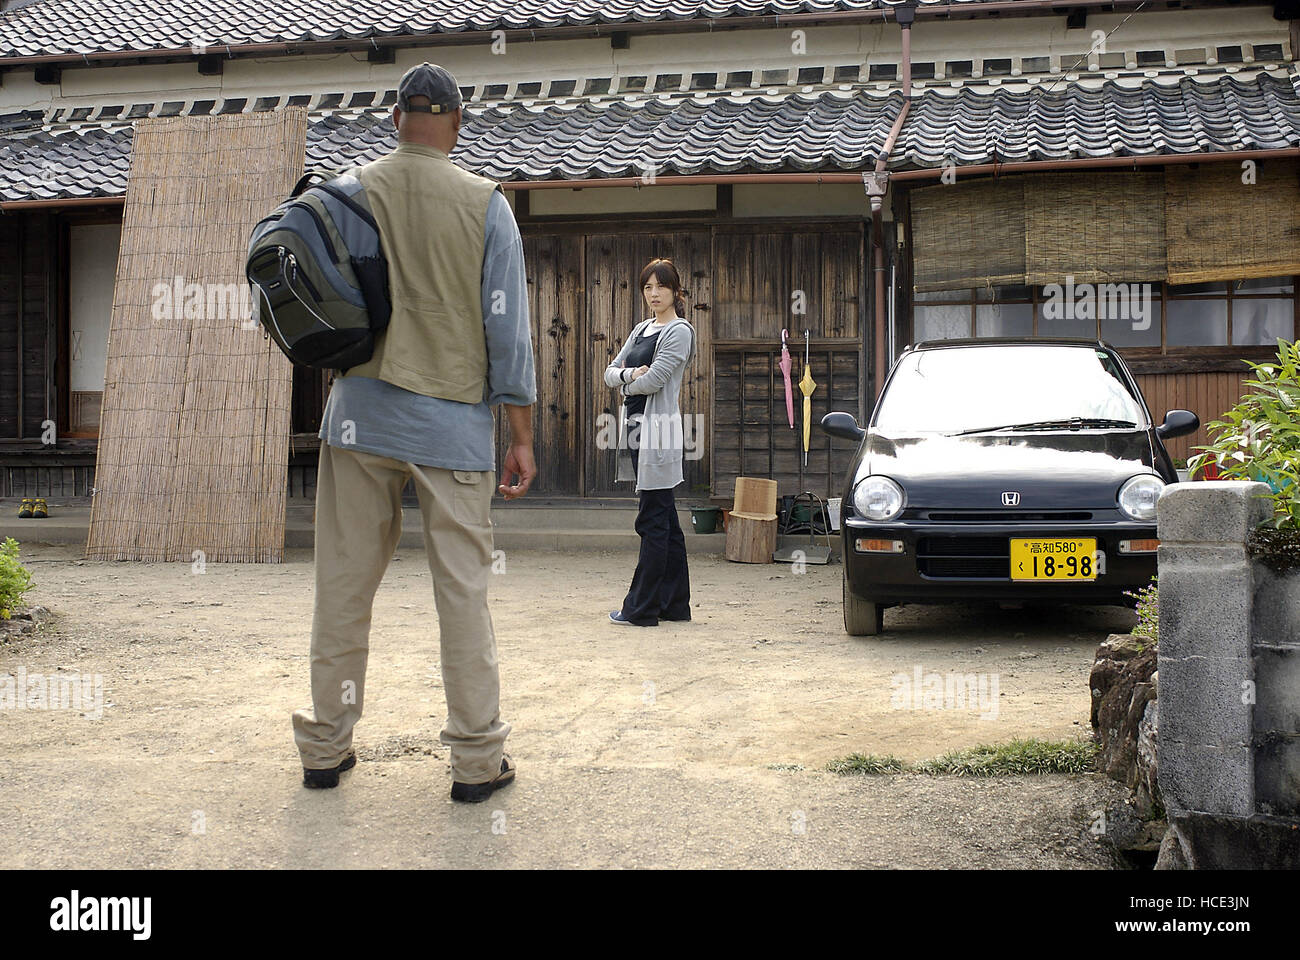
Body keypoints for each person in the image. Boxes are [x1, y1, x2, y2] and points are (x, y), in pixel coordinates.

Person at [291, 62, 537, 803]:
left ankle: (325, 751)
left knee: (342, 585)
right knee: (462, 592)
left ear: (395, 118)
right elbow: (510, 334)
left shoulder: (345, 193)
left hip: (359, 414)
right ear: (457, 125)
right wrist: (519, 433)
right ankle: (474, 763)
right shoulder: (486, 205)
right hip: (454, 424)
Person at [603, 258, 696, 627]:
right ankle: (675, 605)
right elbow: (610, 370)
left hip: (658, 433)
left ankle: (641, 609)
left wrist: (626, 383)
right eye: (647, 287)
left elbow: (655, 379)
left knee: (652, 520)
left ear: (676, 291)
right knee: (666, 519)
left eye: (661, 286)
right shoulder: (642, 328)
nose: (654, 294)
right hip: (636, 428)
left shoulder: (679, 331)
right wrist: (627, 375)